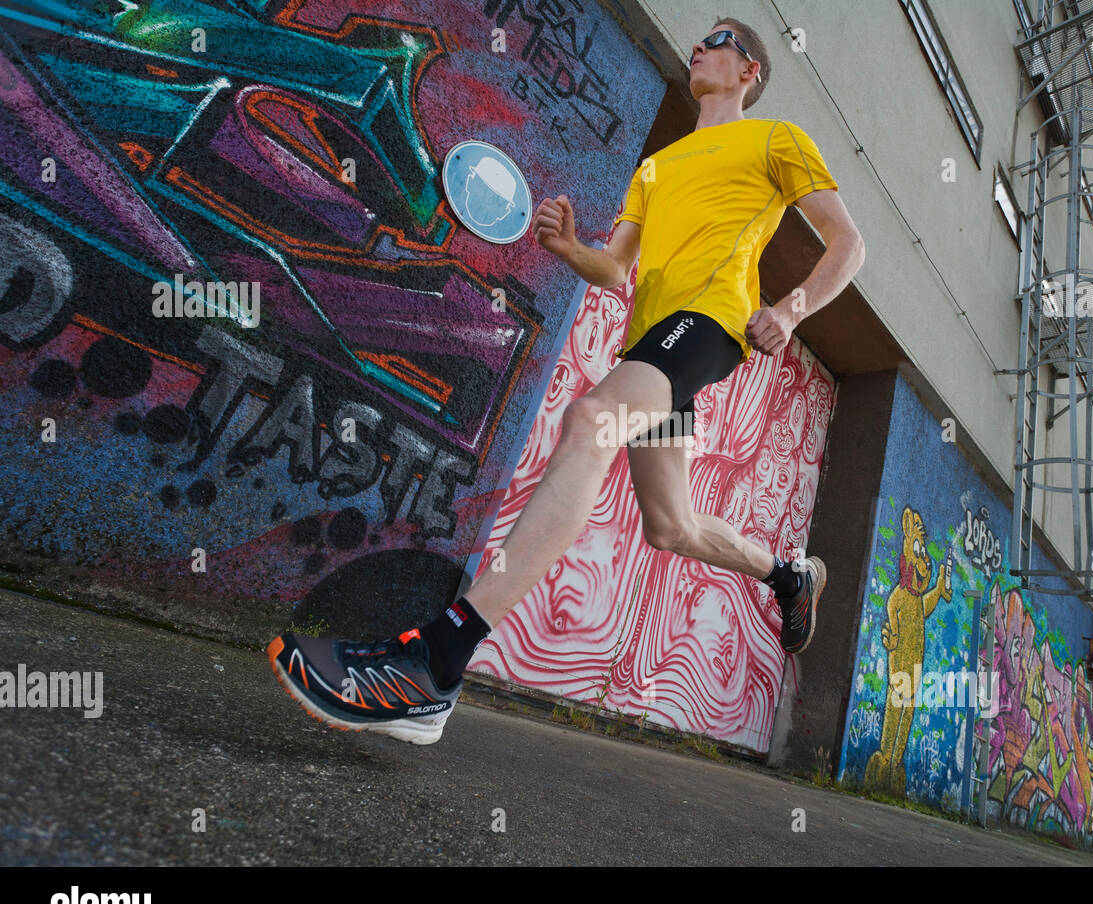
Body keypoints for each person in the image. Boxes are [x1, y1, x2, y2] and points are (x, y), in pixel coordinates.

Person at [269, 18, 866, 745]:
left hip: (711, 324)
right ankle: (786, 577)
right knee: (670, 526)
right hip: (653, 339)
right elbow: (617, 269)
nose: (701, 47)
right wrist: (570, 247)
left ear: (750, 72)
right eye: (700, 39)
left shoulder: (775, 139)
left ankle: (436, 664)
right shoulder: (656, 168)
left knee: (590, 421)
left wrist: (792, 308)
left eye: (720, 39)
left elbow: (848, 242)